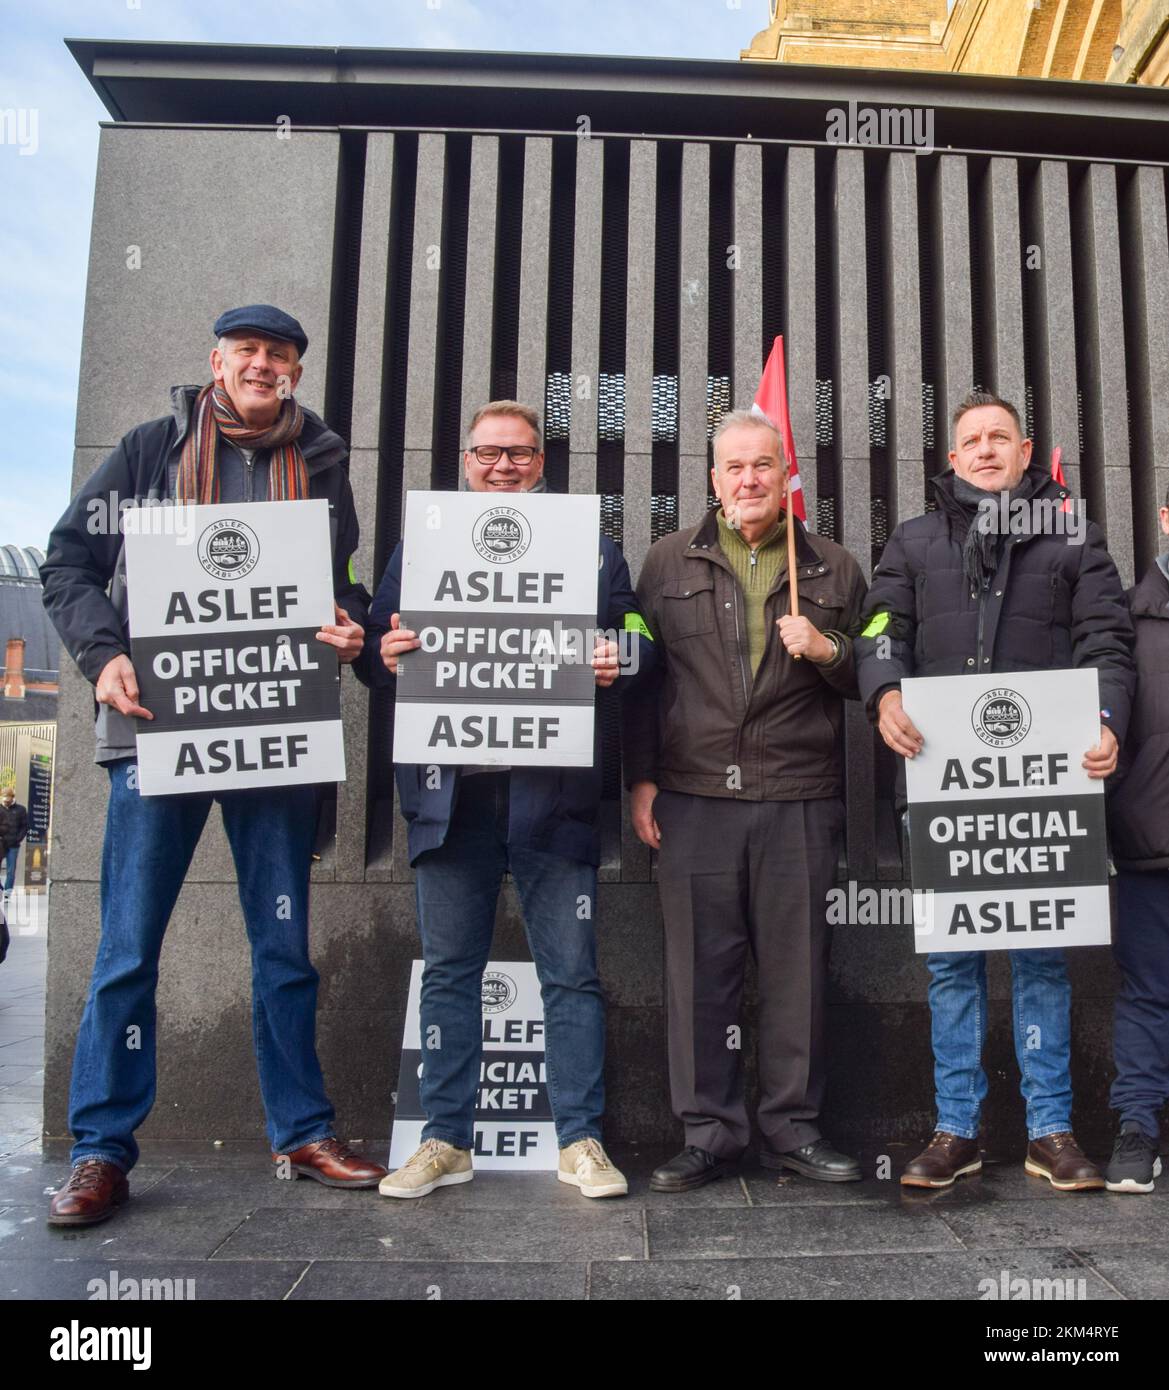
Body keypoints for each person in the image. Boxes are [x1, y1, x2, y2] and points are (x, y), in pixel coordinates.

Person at [39, 304, 386, 1226]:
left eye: (280, 355)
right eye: (248, 352)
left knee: (283, 948)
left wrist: (348, 625)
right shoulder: (151, 447)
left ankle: (302, 1130)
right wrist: (100, 654)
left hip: (275, 733)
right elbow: (66, 561)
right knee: (126, 950)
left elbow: (337, 578)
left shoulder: (320, 460)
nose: (263, 365)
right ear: (218, 361)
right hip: (157, 727)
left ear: (296, 374)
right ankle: (99, 1151)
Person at [360, 400, 652, 1201]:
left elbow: (640, 638)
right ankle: (444, 1141)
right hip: (448, 801)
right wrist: (383, 653)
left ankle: (580, 1141)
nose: (503, 467)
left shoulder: (589, 553)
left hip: (552, 801)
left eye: (519, 454)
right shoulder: (417, 551)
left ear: (540, 464)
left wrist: (614, 654)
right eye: (489, 453)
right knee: (451, 974)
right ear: (464, 461)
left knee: (571, 975)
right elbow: (376, 652)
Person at [856, 389, 1135, 1191]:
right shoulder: (910, 542)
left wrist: (1107, 719)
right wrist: (883, 693)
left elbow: (1106, 638)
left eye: (998, 438)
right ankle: (956, 1131)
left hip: (1045, 792)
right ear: (952, 459)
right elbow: (880, 629)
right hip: (945, 791)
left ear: (1024, 452)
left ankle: (1051, 1131)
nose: (983, 450)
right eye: (969, 440)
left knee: (1042, 961)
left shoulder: (1073, 536)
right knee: (951, 965)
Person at [624, 408, 868, 1192]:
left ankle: (792, 1130)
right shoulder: (665, 563)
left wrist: (828, 649)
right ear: (713, 479)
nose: (750, 479)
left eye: (764, 465)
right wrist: (640, 776)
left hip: (797, 794)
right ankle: (707, 1133)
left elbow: (874, 672)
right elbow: (639, 680)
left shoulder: (831, 567)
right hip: (693, 796)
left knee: (798, 973)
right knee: (699, 974)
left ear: (785, 476)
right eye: (735, 467)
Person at [1103, 489, 1169, 1193]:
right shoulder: (1121, 616)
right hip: (1150, 840)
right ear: (1163, 519)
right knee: (1149, 993)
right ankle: (1135, 1132)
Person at [0, 785, 28, 897]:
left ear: (12, 797)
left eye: (7, 800)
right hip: (1, 844)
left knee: (10, 871)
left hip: (14, 845)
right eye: (3, 799)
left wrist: (18, 839)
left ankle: (7, 894)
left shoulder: (21, 810)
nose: (5, 802)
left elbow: (24, 827)